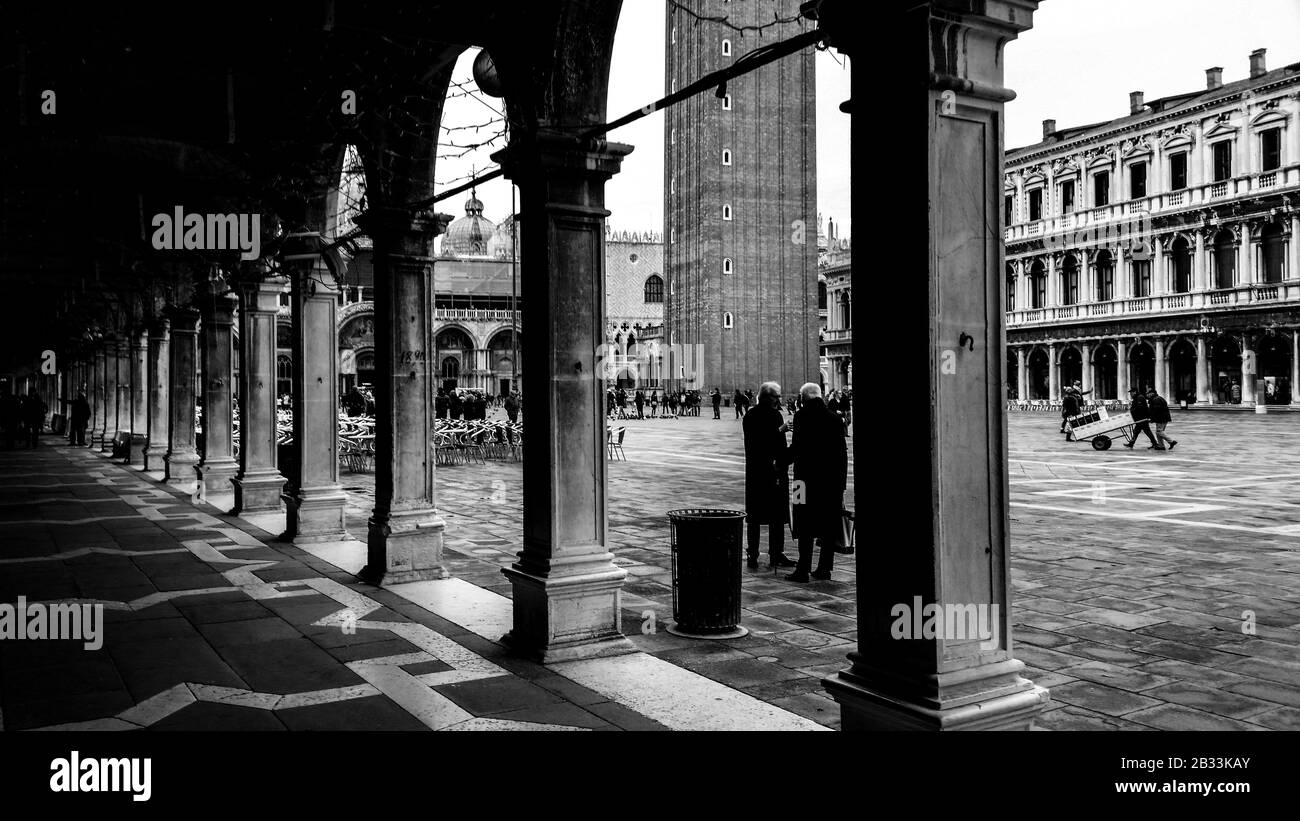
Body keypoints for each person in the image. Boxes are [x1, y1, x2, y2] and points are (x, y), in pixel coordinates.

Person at [787, 383, 848, 582]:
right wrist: (841, 486)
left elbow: (796, 449)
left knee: (802, 523)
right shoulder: (835, 419)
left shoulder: (801, 416)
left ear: (803, 398)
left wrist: (779, 460)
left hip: (802, 482)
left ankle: (802, 569)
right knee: (829, 524)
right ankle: (824, 569)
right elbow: (842, 455)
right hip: (831, 483)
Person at [742, 382, 797, 571]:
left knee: (775, 516)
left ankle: (775, 552)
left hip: (768, 473)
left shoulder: (770, 414)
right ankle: (754, 552)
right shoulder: (752, 416)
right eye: (776, 397)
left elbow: (779, 448)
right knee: (757, 516)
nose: (779, 400)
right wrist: (780, 430)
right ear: (766, 396)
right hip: (762, 474)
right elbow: (757, 444)